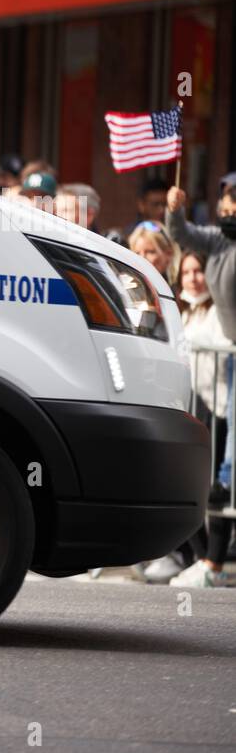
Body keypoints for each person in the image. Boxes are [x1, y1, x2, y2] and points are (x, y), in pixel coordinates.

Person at [142, 250, 229, 581]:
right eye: (188, 272)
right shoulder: (187, 313)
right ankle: (201, 557)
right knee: (187, 485)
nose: (193, 278)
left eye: (199, 271)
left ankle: (213, 564)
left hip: (217, 410)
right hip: (190, 408)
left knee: (217, 490)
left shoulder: (219, 313)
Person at [164, 183, 236, 586]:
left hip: (229, 361)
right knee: (220, 468)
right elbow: (183, 235)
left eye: (234, 203)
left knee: (228, 463)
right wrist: (176, 211)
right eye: (225, 203)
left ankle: (212, 561)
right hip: (223, 375)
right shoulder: (219, 240)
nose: (229, 208)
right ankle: (208, 561)